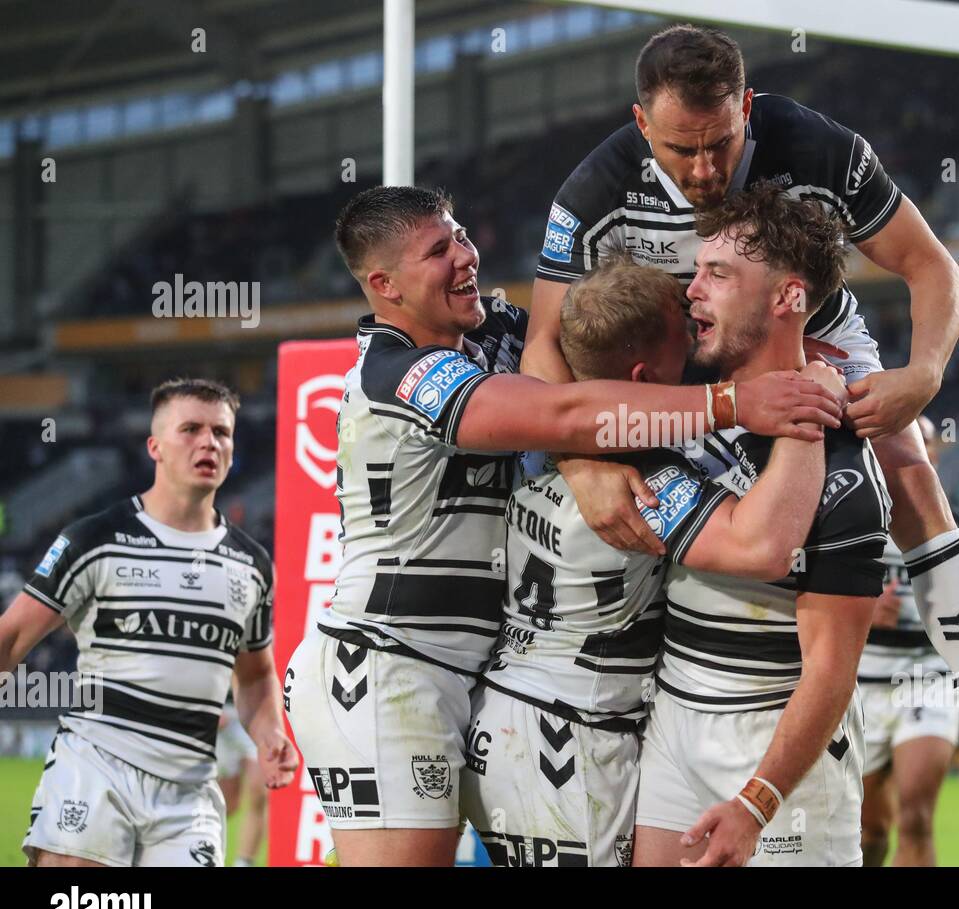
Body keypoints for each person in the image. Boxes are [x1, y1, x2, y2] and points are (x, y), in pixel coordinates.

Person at [523, 24, 959, 828]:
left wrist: (922, 375)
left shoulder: (815, 148)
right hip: (684, 347)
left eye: (720, 144)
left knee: (910, 473)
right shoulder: (598, 186)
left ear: (746, 107)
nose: (705, 170)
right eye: (682, 150)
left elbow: (932, 265)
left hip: (810, 332)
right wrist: (581, 462)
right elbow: (541, 343)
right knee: (604, 509)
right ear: (641, 122)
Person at [285, 185, 842, 867]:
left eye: (460, 234)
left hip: (476, 677)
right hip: (387, 659)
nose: (465, 256)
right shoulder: (399, 375)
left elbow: (598, 339)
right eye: (438, 250)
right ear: (384, 284)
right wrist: (733, 403)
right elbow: (561, 414)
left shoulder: (494, 330)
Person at [462, 257, 843, 866]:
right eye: (683, 340)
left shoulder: (543, 433)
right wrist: (811, 406)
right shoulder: (640, 471)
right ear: (642, 377)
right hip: (570, 738)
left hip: (513, 705)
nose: (696, 345)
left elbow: (575, 393)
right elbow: (760, 545)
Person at [631, 185, 888, 866]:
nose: (692, 291)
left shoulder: (848, 475)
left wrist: (757, 801)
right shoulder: (678, 403)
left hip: (778, 760)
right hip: (673, 721)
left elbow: (831, 670)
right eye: (696, 271)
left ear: (787, 299)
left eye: (717, 274)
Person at [0, 379, 296, 867]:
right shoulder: (94, 539)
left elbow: (257, 676)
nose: (210, 443)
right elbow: (11, 639)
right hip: (96, 771)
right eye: (192, 430)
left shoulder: (252, 564)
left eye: (222, 432)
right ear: (155, 446)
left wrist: (269, 735)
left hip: (190, 794)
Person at [859, 415, 959, 866]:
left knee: (917, 818)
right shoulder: (848, 519)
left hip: (929, 678)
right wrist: (860, 611)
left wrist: (944, 618)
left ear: (930, 456)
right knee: (868, 832)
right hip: (858, 684)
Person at [216, 679, 267, 866]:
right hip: (222, 714)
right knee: (228, 803)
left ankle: (243, 862)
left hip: (256, 713)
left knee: (259, 792)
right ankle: (203, 851)